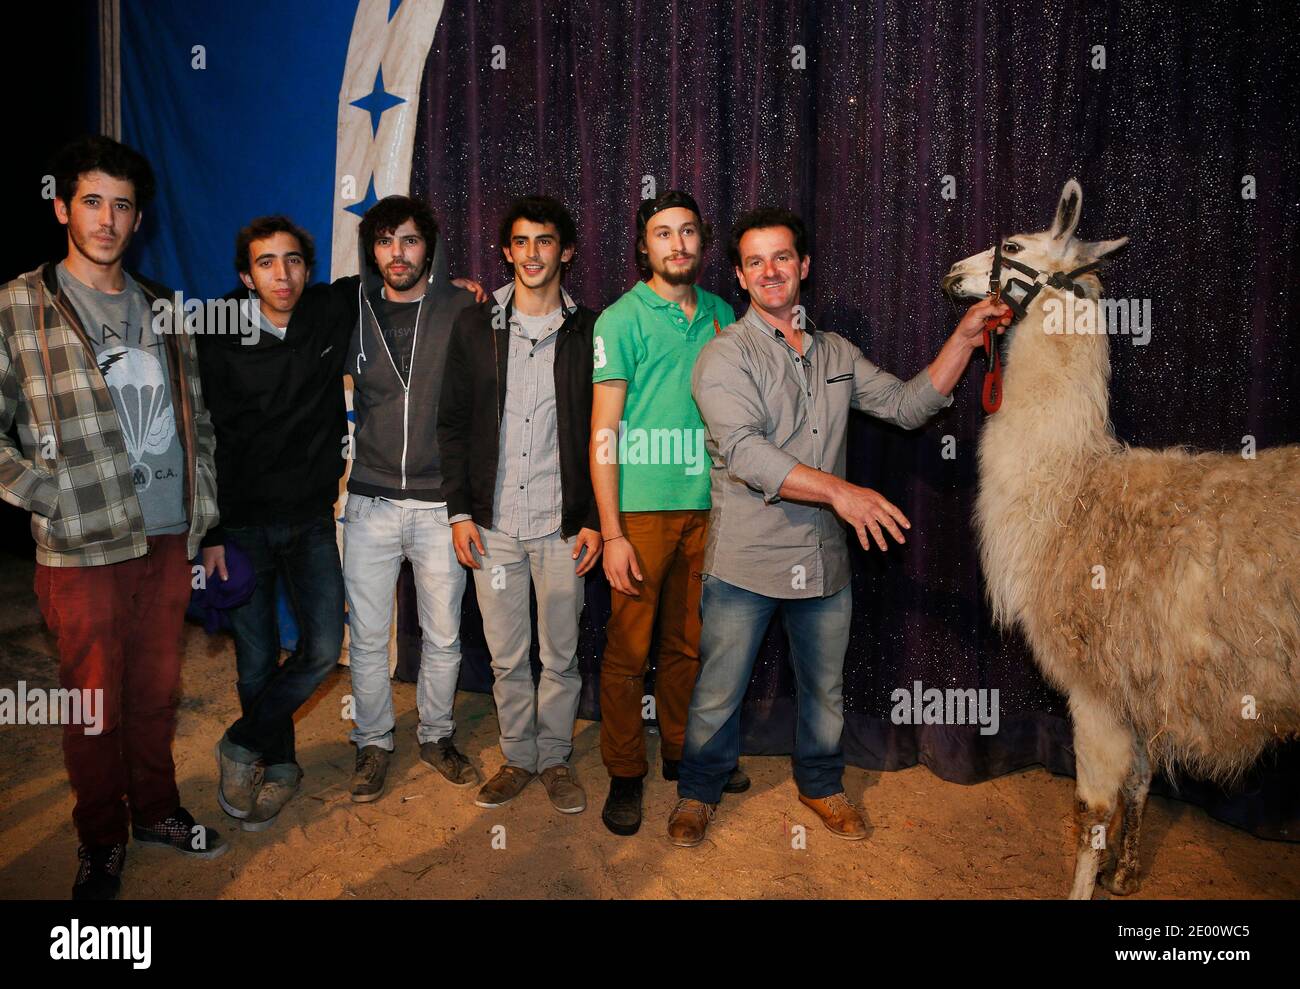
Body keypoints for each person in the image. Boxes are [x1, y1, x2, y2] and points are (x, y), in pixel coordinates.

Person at [667, 207, 1011, 845]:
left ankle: (822, 785)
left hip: (823, 559)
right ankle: (698, 792)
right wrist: (842, 492)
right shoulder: (723, 356)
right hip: (745, 560)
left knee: (824, 688)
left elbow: (909, 406)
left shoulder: (837, 352)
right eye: (755, 262)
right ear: (741, 278)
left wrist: (964, 338)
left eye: (781, 258)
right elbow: (744, 451)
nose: (770, 271)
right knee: (718, 687)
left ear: (803, 267)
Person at [0, 135, 226, 898]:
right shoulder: (18, 304)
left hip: (165, 535)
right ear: (62, 206)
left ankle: (156, 810)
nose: (106, 218)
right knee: (92, 703)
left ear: (138, 220)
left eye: (122, 205)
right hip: (80, 545)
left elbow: (195, 414)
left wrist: (204, 513)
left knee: (156, 691)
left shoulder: (165, 306)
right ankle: (100, 838)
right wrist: (44, 494)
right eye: (91, 201)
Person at [589, 189, 745, 836]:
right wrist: (612, 530)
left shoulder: (722, 312)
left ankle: (681, 750)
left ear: (703, 243)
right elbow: (604, 431)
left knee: (689, 644)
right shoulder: (619, 320)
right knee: (628, 652)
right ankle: (626, 771)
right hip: (641, 513)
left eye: (687, 232)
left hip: (711, 507)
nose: (676, 243)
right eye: (662, 233)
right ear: (643, 246)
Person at [438, 195, 602, 813]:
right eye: (521, 243)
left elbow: (605, 432)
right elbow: (450, 424)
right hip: (495, 524)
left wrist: (594, 520)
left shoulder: (593, 331)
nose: (533, 254)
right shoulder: (475, 327)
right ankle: (517, 757)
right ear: (506, 252)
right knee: (508, 658)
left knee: (560, 657)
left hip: (564, 527)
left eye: (545, 241)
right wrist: (459, 512)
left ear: (567, 251)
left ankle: (554, 760)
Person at [198, 216, 356, 831]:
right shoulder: (214, 330)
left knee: (320, 648)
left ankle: (240, 742)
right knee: (256, 660)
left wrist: (465, 289)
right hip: (239, 525)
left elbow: (398, 276)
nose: (281, 274)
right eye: (266, 263)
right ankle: (280, 765)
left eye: (292, 261)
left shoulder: (327, 308)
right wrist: (208, 533)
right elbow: (200, 435)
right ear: (245, 275)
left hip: (312, 517)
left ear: (307, 269)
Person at [343, 195, 481, 802]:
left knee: (443, 635)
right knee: (369, 637)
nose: (397, 254)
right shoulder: (348, 308)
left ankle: (436, 734)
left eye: (409, 241)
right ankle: (372, 742)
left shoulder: (461, 308)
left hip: (437, 504)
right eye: (384, 241)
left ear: (429, 246)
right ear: (371, 250)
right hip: (368, 500)